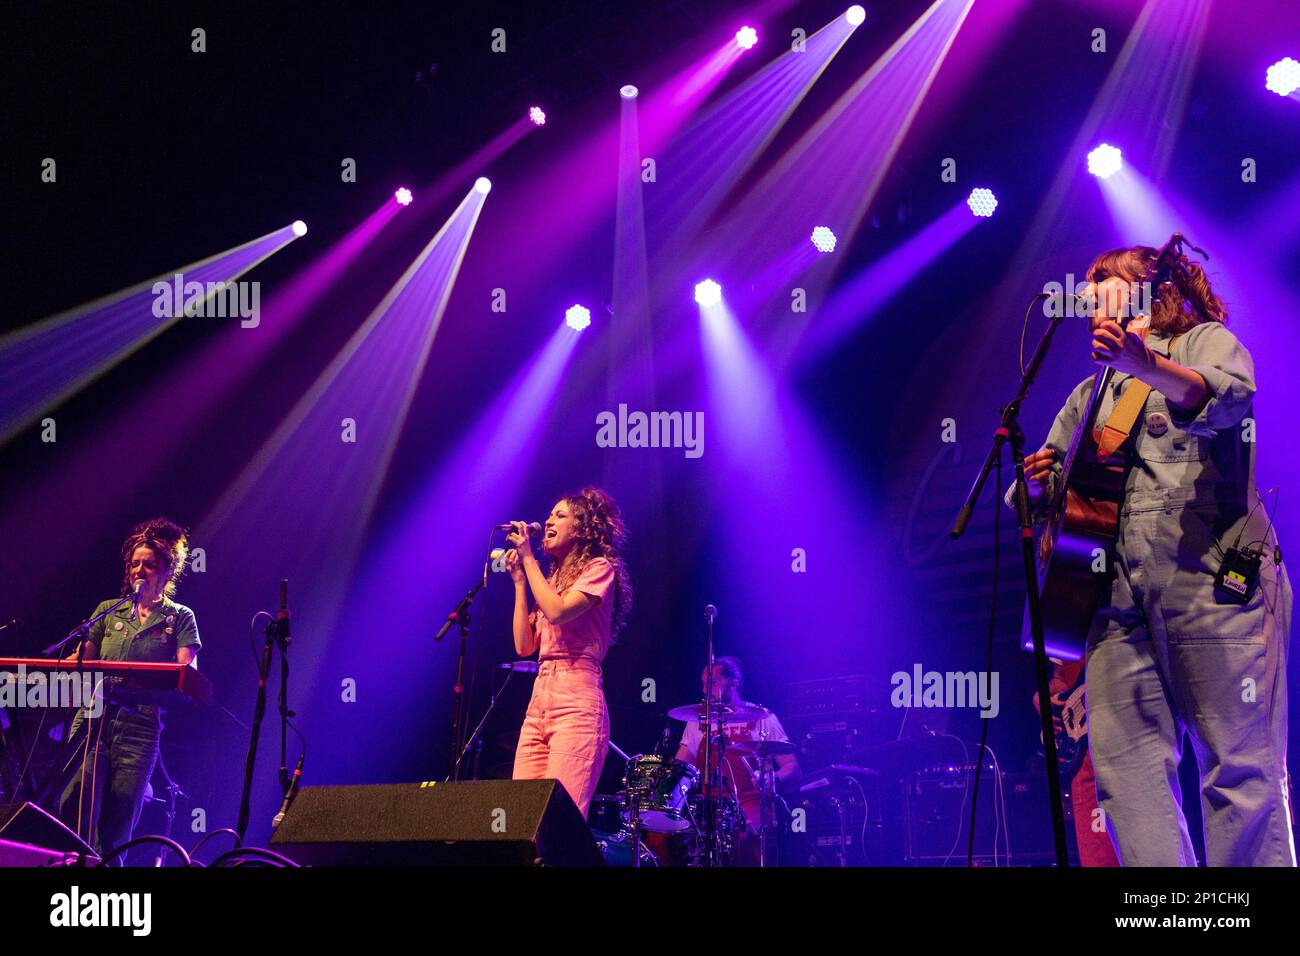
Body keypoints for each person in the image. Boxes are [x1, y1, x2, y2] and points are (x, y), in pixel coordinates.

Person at [1013, 244, 1293, 866]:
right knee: (1127, 779)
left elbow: (1227, 399)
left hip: (1213, 584)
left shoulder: (1202, 342)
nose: (1087, 297)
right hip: (1112, 604)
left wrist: (1145, 364)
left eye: (1102, 283)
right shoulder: (1088, 396)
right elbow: (1038, 504)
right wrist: (1036, 484)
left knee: (1237, 769)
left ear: (1146, 288)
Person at [59, 518, 200, 863]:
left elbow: (187, 672)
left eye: (149, 564)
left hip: (139, 727)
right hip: (93, 718)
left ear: (167, 571)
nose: (140, 570)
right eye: (134, 563)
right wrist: (40, 669)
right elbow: (83, 661)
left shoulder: (180, 617)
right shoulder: (107, 612)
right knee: (75, 804)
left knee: (118, 824)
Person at [506, 487, 632, 819]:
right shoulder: (551, 579)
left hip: (577, 703)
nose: (548, 520)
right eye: (550, 514)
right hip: (539, 702)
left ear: (582, 528)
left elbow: (559, 612)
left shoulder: (599, 568)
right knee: (522, 818)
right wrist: (520, 582)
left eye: (560, 515)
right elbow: (524, 646)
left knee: (560, 822)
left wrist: (529, 558)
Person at [676, 656, 799, 864]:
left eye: (712, 683)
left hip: (751, 802)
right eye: (703, 685)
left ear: (734, 682)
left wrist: (772, 779)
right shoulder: (698, 720)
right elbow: (681, 769)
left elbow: (792, 768)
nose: (706, 690)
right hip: (708, 807)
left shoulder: (762, 718)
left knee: (748, 839)